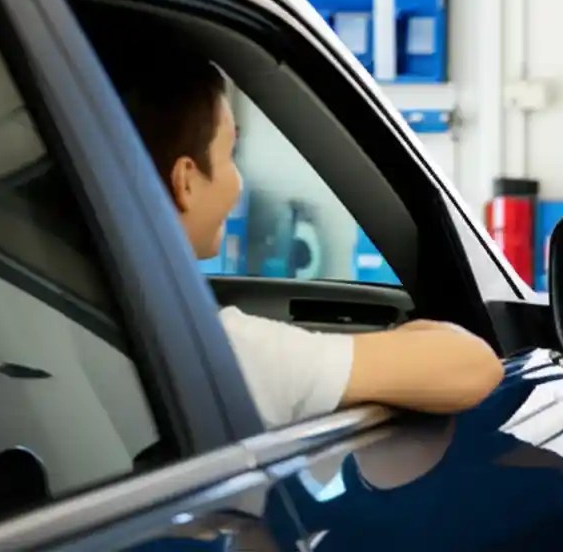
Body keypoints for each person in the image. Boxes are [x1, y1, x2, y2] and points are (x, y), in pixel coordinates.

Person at [114, 52, 504, 429]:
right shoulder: (218, 351)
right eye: (229, 153)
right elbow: (473, 366)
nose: (237, 181)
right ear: (185, 181)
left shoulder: (84, 312)